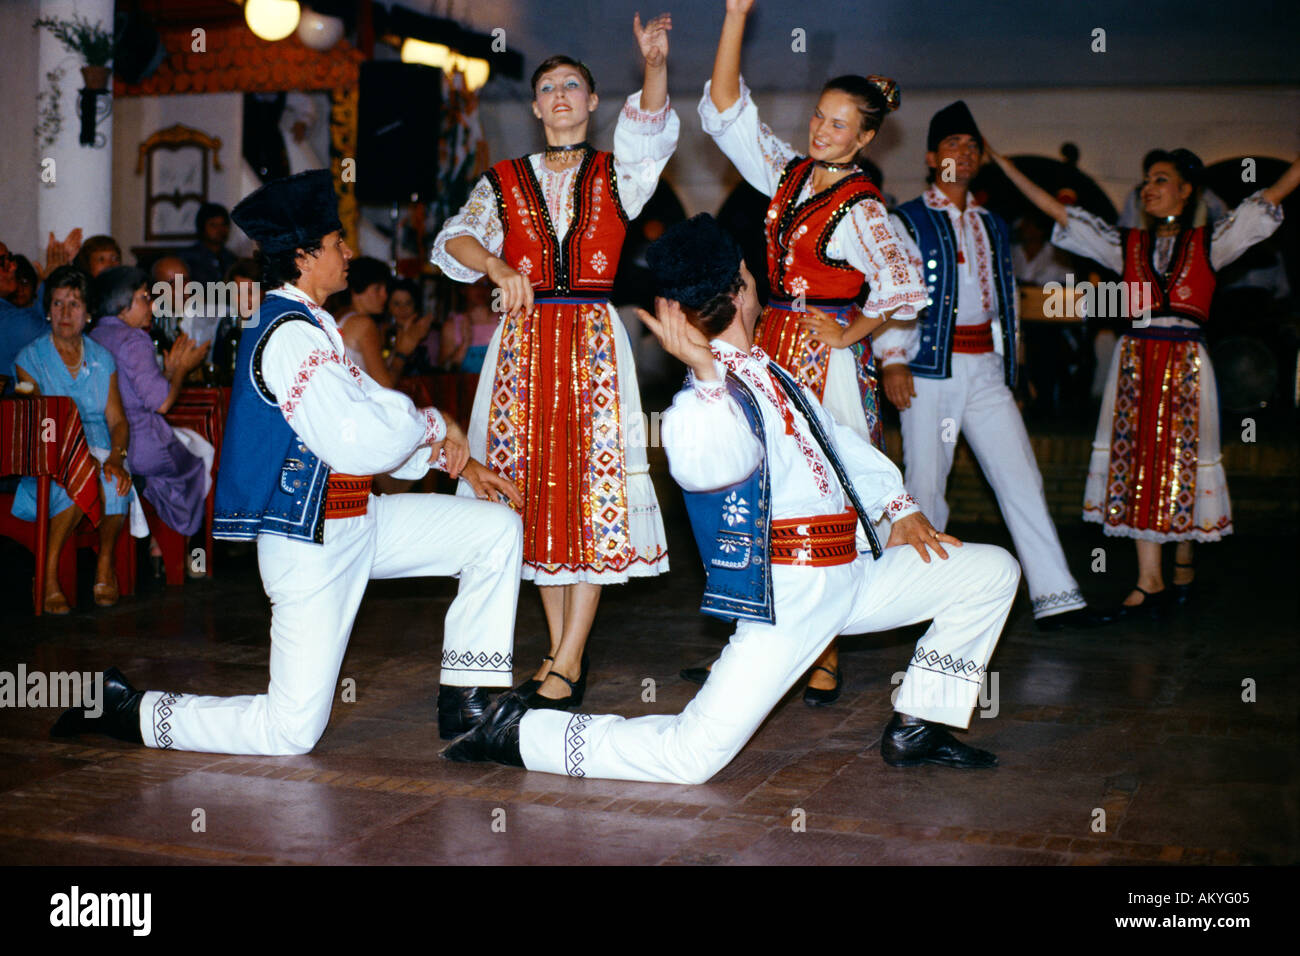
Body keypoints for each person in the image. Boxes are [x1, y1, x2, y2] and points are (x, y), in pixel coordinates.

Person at [444, 214, 1021, 782]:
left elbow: (838, 442)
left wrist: (901, 509)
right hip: (789, 598)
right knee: (689, 759)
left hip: (852, 576)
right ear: (742, 290)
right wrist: (705, 378)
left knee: (990, 571)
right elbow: (707, 467)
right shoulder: (706, 396)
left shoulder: (767, 369)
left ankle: (920, 723)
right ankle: (519, 733)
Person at [50, 169, 526, 753]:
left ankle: (469, 704)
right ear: (303, 258)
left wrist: (456, 456)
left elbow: (373, 404)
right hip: (309, 544)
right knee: (291, 732)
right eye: (337, 245)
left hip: (360, 520)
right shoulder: (287, 335)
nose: (349, 253)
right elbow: (357, 436)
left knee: (494, 530)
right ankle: (132, 710)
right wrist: (434, 425)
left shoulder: (312, 323)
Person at [431, 14, 676, 708]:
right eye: (549, 87)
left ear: (593, 102)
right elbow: (456, 241)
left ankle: (568, 660)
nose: (561, 95)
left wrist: (654, 66)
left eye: (573, 85)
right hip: (522, 350)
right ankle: (558, 658)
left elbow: (653, 127)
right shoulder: (504, 179)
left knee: (592, 496)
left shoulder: (618, 174)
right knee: (532, 497)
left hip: (593, 347)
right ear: (536, 106)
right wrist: (499, 263)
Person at [689, 0, 928, 703]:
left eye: (838, 123)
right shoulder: (790, 175)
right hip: (773, 348)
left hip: (825, 362)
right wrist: (735, 17)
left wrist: (851, 332)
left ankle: (822, 653)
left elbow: (906, 285)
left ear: (865, 137)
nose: (822, 129)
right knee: (762, 489)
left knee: (824, 491)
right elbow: (729, 109)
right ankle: (761, 641)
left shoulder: (863, 206)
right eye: (819, 116)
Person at [993, 147, 1300, 613]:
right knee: (1135, 462)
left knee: (1185, 460)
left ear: (1185, 190)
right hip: (1136, 361)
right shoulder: (1125, 245)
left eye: (1160, 180)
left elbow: (1273, 193)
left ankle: (1181, 556)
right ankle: (1149, 579)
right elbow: (1056, 209)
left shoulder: (1212, 241)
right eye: (1146, 182)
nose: (1149, 189)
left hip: (1187, 363)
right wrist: (1005, 163)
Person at [872, 102, 1110, 632]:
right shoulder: (906, 217)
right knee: (926, 486)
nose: (964, 152)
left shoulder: (992, 223)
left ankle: (1057, 595)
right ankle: (918, 601)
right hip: (930, 367)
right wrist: (892, 359)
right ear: (932, 157)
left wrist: (1011, 374)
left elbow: (1004, 305)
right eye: (953, 144)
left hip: (985, 367)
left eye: (972, 146)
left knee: (1021, 476)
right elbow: (894, 293)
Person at [11, 266, 147, 613]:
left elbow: (117, 420)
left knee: (113, 480)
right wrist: (75, 457)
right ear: (47, 310)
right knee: (80, 479)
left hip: (102, 450)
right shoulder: (29, 359)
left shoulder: (103, 358)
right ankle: (48, 574)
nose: (65, 313)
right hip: (51, 455)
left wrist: (117, 456)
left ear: (88, 313)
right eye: (57, 304)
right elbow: (36, 419)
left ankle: (104, 568)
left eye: (74, 304)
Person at [89, 267, 214, 549]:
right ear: (123, 306)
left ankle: (156, 534)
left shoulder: (95, 335)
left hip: (103, 444)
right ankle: (181, 545)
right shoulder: (134, 339)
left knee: (175, 461)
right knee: (201, 459)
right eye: (144, 297)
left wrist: (168, 373)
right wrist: (182, 369)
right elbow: (162, 403)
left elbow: (138, 391)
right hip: (141, 446)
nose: (152, 305)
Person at [331, 257, 423, 388]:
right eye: (377, 289)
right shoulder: (364, 324)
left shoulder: (340, 316)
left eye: (385, 289)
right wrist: (402, 354)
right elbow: (384, 386)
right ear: (357, 290)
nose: (384, 296)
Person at [0, 240, 48, 390]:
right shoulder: (10, 321)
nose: (13, 267)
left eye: (10, 259)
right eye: (3, 262)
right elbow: (62, 337)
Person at [439, 280, 497, 374]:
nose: (481, 289)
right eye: (474, 283)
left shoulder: (503, 321)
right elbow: (443, 371)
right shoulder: (452, 326)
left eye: (486, 284)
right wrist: (465, 344)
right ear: (463, 289)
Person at [388, 278, 439, 376]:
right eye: (396, 304)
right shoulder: (381, 333)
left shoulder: (430, 336)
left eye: (408, 303)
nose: (402, 309)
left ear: (415, 305)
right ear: (388, 306)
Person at [180, 203, 237, 285]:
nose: (220, 230)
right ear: (202, 227)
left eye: (223, 224)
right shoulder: (187, 258)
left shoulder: (231, 258)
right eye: (213, 225)